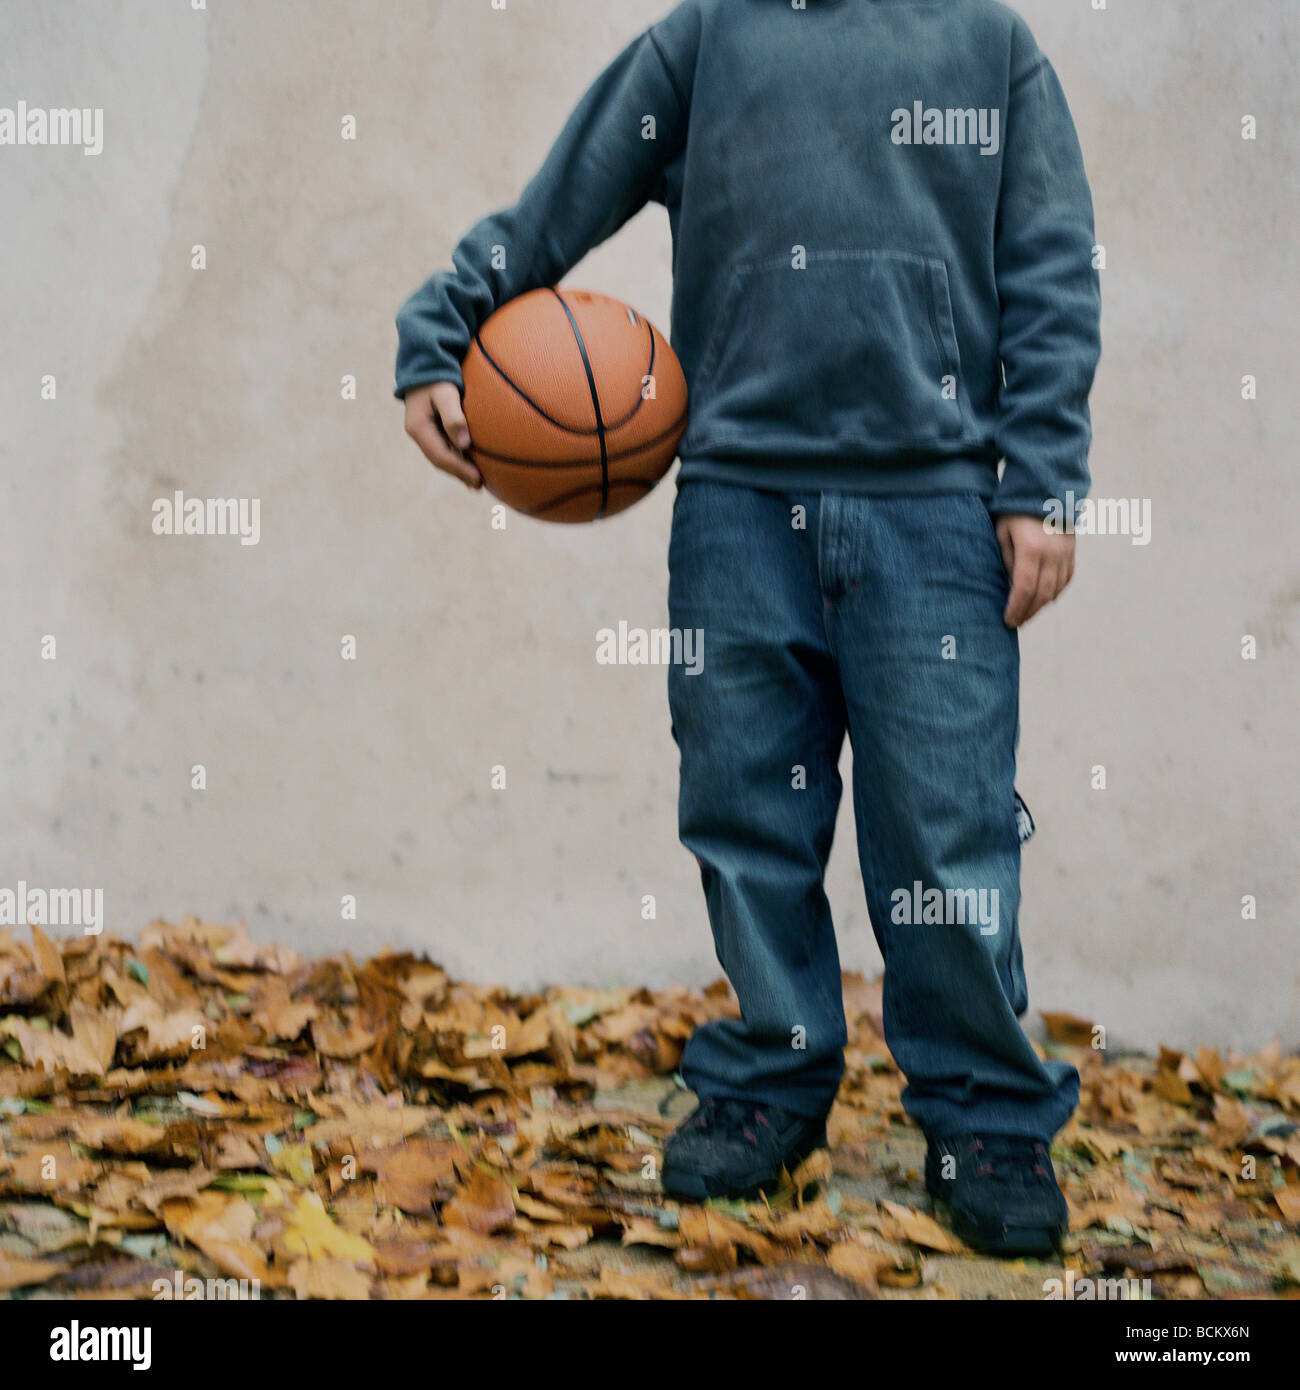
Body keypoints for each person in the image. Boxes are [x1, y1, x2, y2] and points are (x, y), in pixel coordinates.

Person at [395, 0, 1102, 1256]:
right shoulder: (706, 39)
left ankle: (985, 1115)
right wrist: (440, 332)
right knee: (743, 818)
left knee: (944, 832)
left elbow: (1051, 269)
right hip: (735, 501)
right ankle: (768, 1083)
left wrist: (1038, 478)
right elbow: (559, 203)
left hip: (934, 513)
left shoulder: (991, 46)